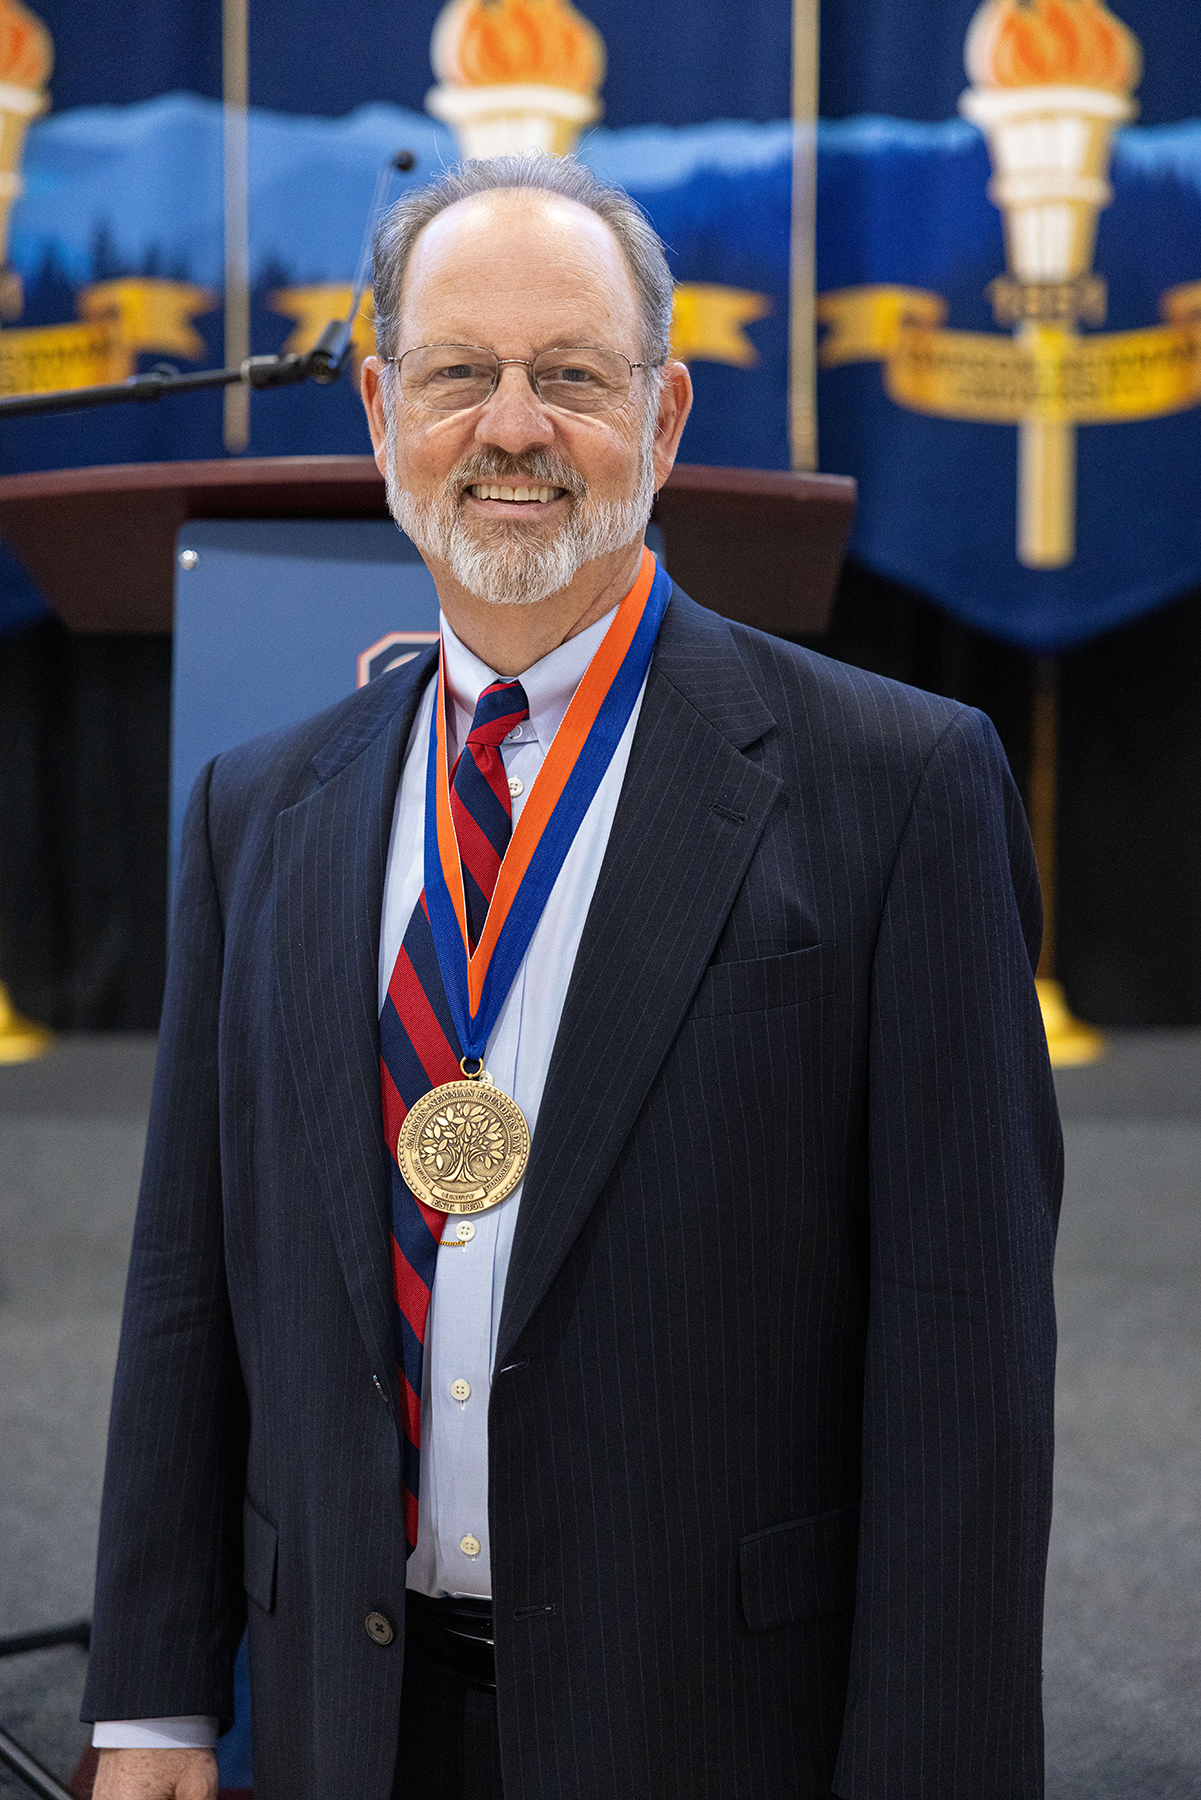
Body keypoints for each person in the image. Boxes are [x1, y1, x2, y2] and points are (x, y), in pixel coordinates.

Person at [84, 152, 1062, 1800]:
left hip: (716, 1723)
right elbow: (189, 1287)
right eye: (461, 374)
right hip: (345, 1715)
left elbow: (964, 1356)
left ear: (664, 420)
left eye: (573, 378)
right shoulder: (256, 810)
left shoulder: (896, 786)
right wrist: (155, 1702)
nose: (515, 428)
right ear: (383, 408)